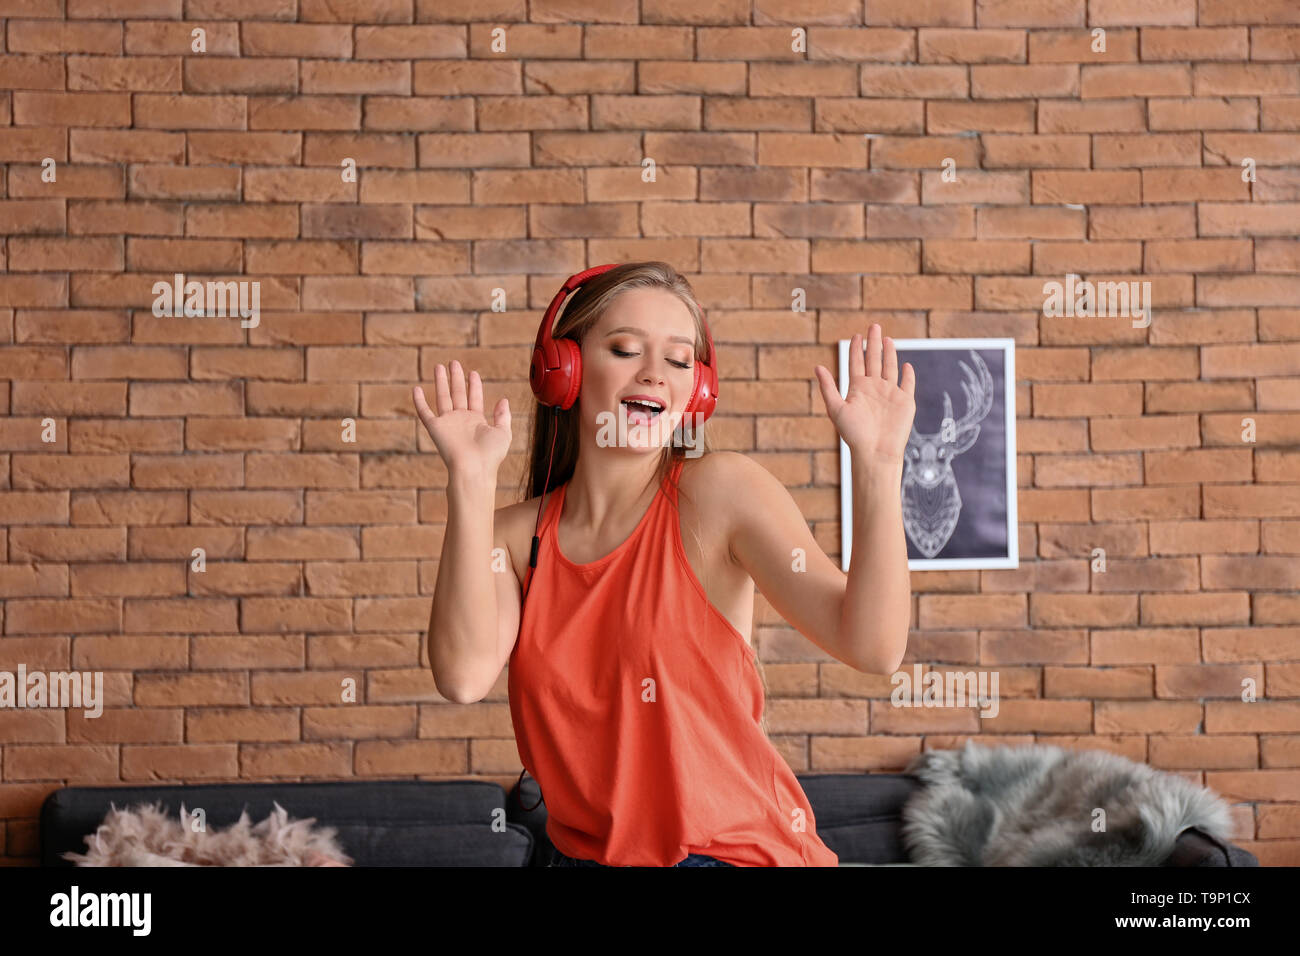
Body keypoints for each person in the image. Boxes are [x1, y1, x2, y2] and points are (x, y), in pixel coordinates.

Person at [414, 261, 916, 866]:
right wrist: (469, 481)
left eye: (679, 361)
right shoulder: (515, 538)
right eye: (625, 350)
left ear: (697, 393)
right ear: (564, 372)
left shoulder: (719, 493)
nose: (655, 374)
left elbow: (873, 647)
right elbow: (462, 677)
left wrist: (880, 465)